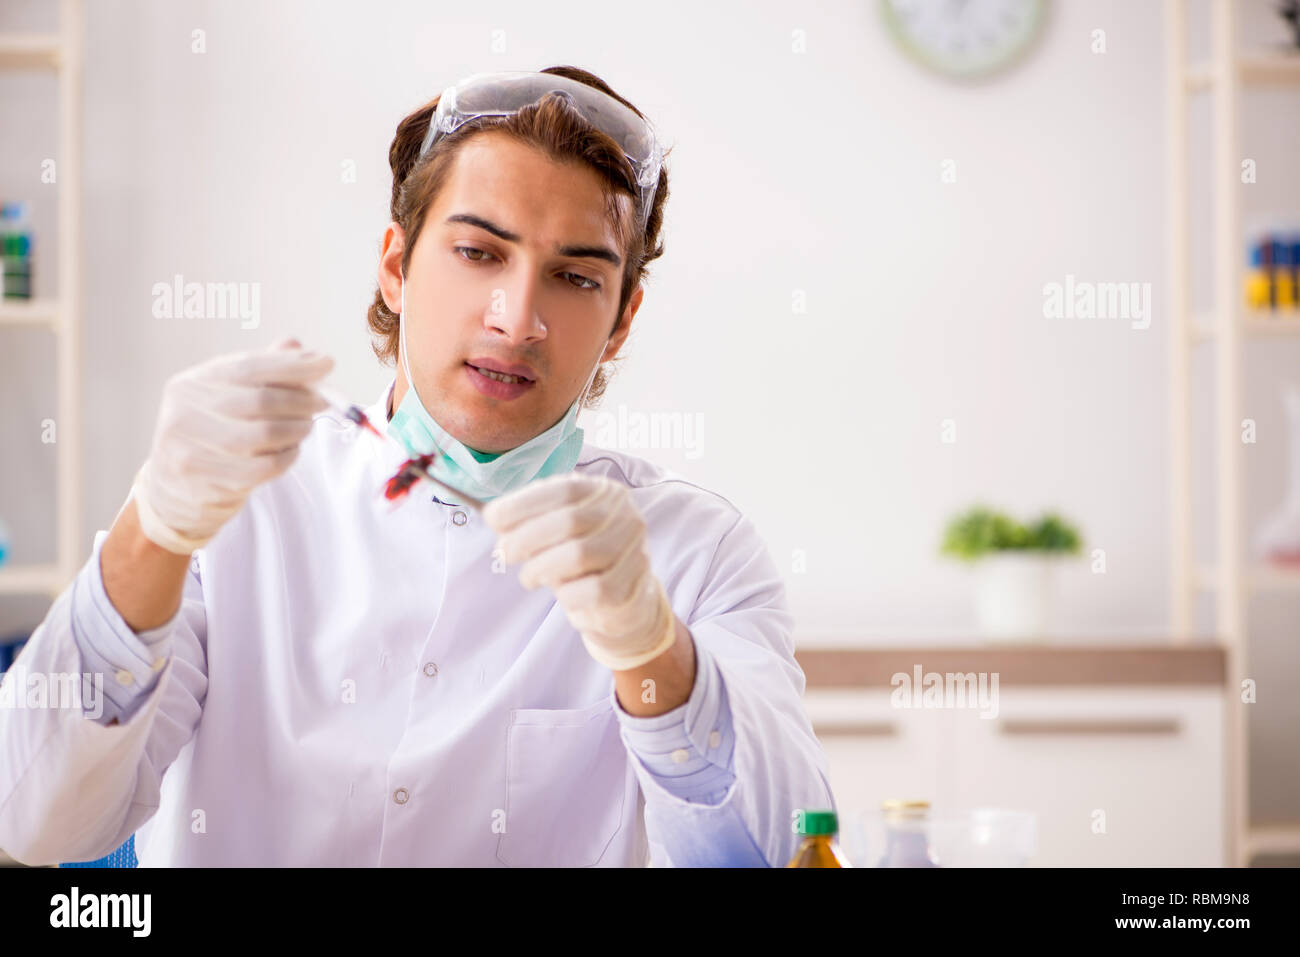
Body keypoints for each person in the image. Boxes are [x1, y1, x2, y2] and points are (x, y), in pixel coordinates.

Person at [0, 67, 834, 867]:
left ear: (620, 322)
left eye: (576, 277)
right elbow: (35, 814)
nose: (517, 320)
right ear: (396, 266)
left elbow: (780, 857)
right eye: (479, 253)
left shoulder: (697, 553)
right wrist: (155, 526)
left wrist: (654, 654)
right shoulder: (241, 499)